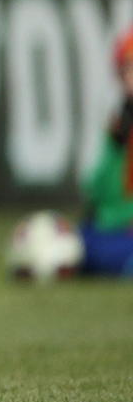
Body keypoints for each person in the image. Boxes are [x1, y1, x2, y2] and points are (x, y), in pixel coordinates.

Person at [78, 25, 133, 276]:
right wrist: (115, 146)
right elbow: (95, 188)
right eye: (129, 67)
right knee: (76, 240)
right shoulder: (120, 123)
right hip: (112, 230)